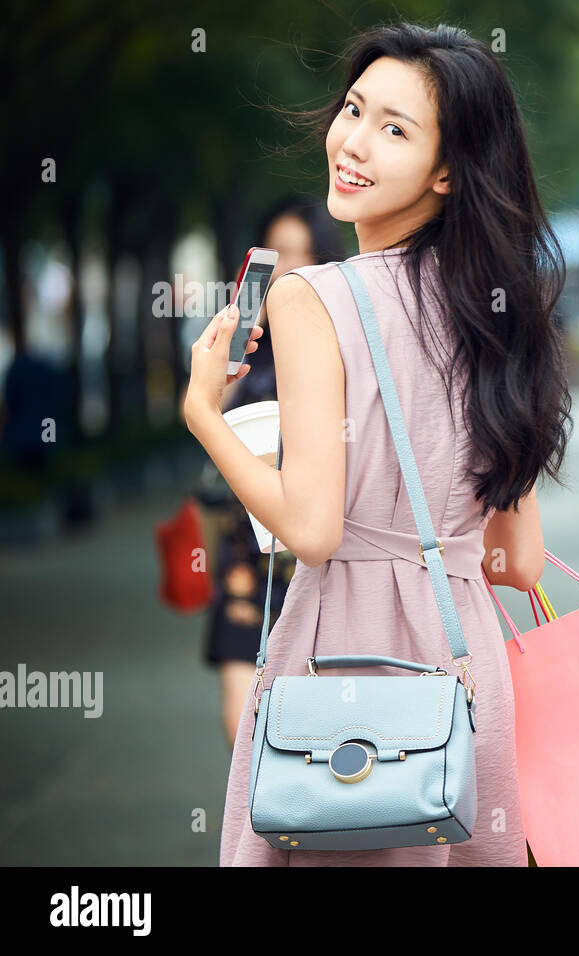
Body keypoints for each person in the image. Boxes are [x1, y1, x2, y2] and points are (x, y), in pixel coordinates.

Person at [182, 22, 571, 866]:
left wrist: (206, 415)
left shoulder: (312, 297)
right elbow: (518, 564)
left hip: (342, 677)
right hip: (467, 675)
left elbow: (313, 531)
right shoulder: (501, 314)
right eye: (353, 110)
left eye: (394, 128)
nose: (352, 142)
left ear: (447, 169)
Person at [196, 196, 347, 750]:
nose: (287, 268)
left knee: (309, 722)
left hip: (310, 544)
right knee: (243, 727)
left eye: (301, 255)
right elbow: (208, 413)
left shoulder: (338, 337)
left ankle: (298, 825)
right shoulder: (247, 344)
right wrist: (230, 353)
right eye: (276, 255)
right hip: (246, 548)